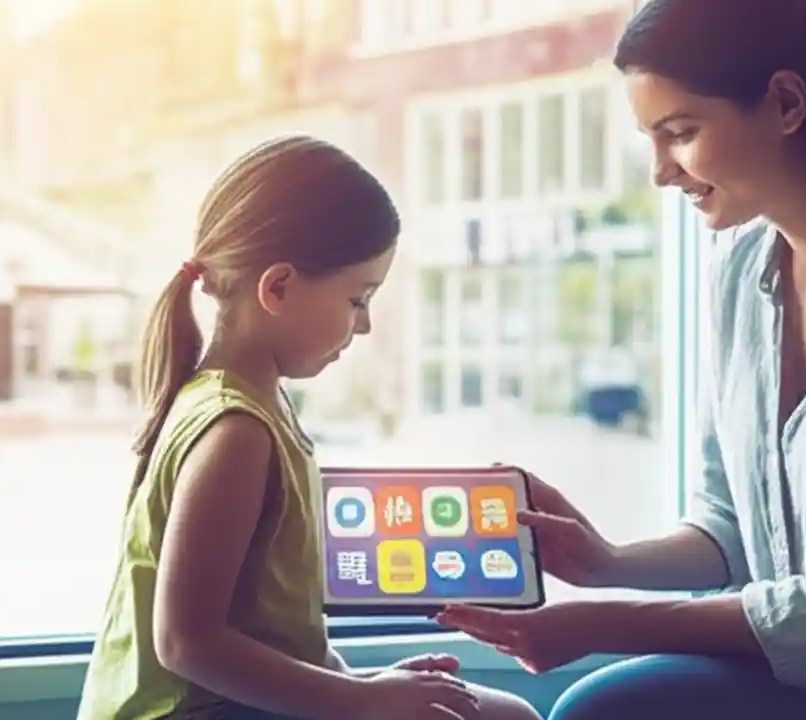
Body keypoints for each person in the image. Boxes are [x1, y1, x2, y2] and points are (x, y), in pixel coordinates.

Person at [435, 1, 806, 718]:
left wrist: (603, 621)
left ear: (786, 103)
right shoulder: (739, 268)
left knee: (602, 708)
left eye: (681, 133)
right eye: (652, 138)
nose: (660, 172)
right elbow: (731, 522)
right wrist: (607, 561)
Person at [77, 135, 541, 720]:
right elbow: (186, 644)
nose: (365, 325)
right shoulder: (234, 432)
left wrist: (363, 682)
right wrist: (357, 700)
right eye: (357, 299)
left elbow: (271, 628)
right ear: (277, 287)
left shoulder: (259, 407)